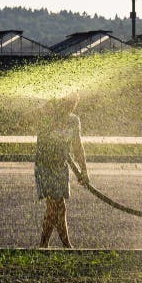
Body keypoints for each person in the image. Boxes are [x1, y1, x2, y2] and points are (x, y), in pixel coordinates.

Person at [35, 93, 89, 248]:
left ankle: (44, 246)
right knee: (54, 205)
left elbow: (77, 147)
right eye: (68, 102)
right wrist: (45, 109)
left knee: (58, 207)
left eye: (74, 102)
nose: (71, 105)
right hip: (45, 166)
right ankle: (64, 246)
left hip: (61, 167)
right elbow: (22, 121)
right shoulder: (46, 116)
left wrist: (84, 171)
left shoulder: (73, 121)